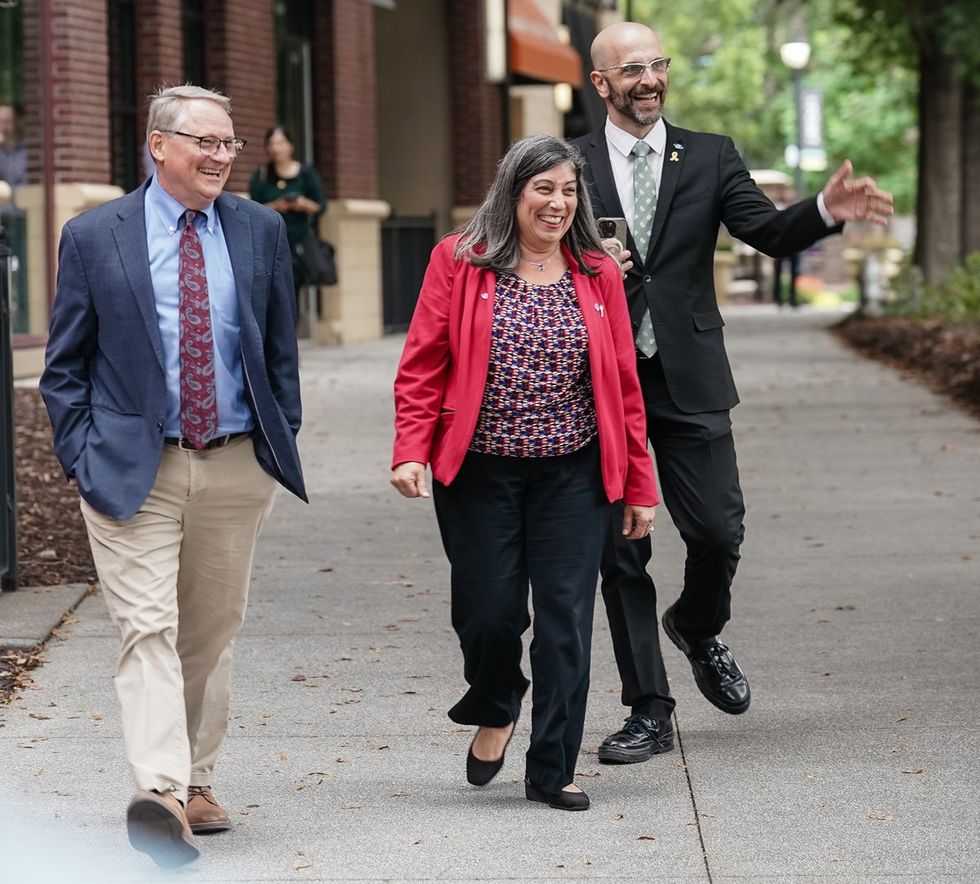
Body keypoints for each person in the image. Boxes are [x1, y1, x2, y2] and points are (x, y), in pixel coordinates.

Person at [572, 22, 893, 765]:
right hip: (600, 379)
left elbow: (769, 233)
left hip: (690, 372)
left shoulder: (710, 155)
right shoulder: (569, 164)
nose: (649, 79)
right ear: (600, 84)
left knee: (718, 530)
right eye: (631, 69)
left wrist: (823, 211)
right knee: (621, 551)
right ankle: (648, 710)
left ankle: (697, 622)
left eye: (658, 64)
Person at [40, 85, 307, 868]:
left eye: (230, 144)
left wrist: (278, 431)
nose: (223, 156)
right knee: (147, 627)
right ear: (159, 144)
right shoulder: (95, 235)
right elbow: (64, 369)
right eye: (207, 142)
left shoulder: (259, 230)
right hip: (134, 468)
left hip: (234, 462)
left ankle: (198, 780)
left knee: (210, 630)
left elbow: (280, 352)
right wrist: (83, 457)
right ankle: (158, 791)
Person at [390, 134, 658, 811]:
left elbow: (625, 386)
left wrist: (639, 485)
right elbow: (423, 362)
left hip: (573, 471)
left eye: (569, 191)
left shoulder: (597, 273)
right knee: (488, 612)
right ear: (512, 192)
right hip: (478, 471)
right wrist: (410, 448)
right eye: (544, 189)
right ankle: (499, 699)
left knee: (566, 617)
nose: (558, 203)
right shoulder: (459, 260)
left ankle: (553, 768)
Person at [248, 126, 325, 320]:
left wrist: (302, 204)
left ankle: (290, 341)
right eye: (272, 144)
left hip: (298, 244)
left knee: (292, 294)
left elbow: (321, 206)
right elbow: (253, 208)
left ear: (290, 146)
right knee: (270, 294)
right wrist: (276, 206)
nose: (276, 148)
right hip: (269, 243)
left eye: (280, 143)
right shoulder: (262, 174)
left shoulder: (306, 173)